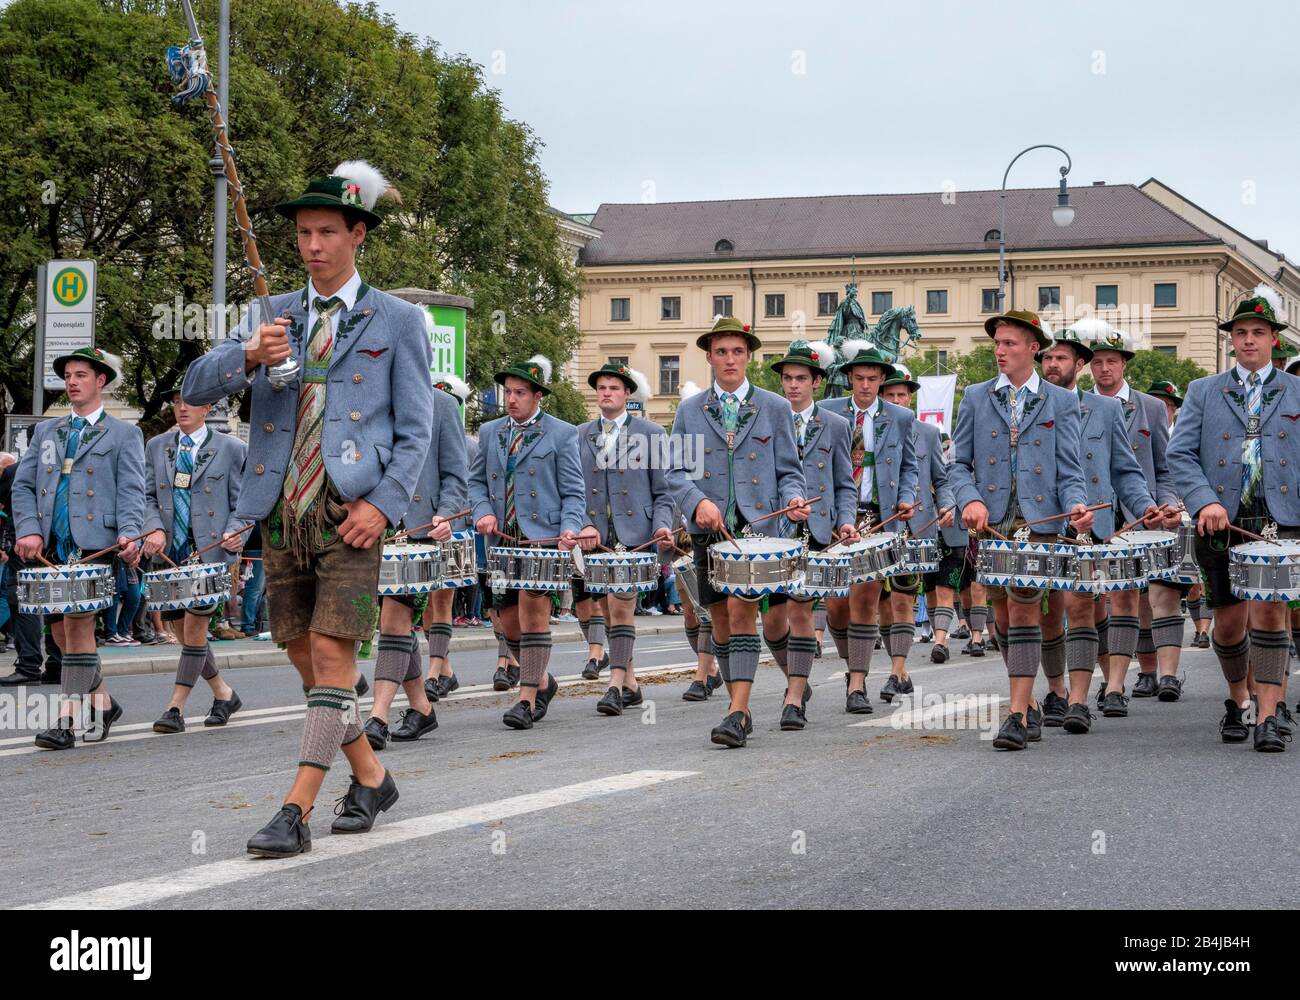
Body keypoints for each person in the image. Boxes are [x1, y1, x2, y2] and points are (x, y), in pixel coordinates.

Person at [183, 160, 434, 855]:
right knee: (303, 658)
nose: (313, 245)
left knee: (331, 652)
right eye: (302, 233)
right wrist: (247, 353)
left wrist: (384, 506)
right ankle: (372, 776)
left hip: (349, 511)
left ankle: (294, 810)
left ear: (358, 234)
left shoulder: (399, 319)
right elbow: (194, 386)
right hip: (277, 509)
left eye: (327, 231)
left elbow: (417, 431)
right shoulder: (270, 315)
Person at [948, 310, 1092, 750]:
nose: (1000, 351)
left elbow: (1070, 470)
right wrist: (969, 499)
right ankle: (1026, 699)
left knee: (1026, 606)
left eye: (1010, 343)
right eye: (997, 343)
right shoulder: (975, 396)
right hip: (990, 524)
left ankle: (1015, 714)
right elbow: (956, 464)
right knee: (1002, 616)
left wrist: (1076, 508)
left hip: (1040, 523)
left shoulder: (1062, 401)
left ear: (1034, 348)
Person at [1168, 287, 1300, 751]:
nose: (1248, 341)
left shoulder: (1297, 390)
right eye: (1240, 333)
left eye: (1258, 333)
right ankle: (1237, 699)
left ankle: (1268, 714)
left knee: (1270, 612)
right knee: (1227, 624)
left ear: (1273, 340)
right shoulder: (1203, 391)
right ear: (1231, 340)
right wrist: (1204, 501)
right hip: (1219, 520)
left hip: (1280, 520)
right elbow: (1179, 453)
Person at [668, 316, 808, 746]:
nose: (730, 359)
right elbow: (675, 472)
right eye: (721, 352)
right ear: (709, 357)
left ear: (749, 356)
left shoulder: (775, 407)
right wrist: (698, 503)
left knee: (744, 610)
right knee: (722, 622)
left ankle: (738, 712)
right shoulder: (690, 410)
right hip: (709, 528)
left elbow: (790, 470)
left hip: (758, 527)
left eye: (738, 351)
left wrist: (795, 498)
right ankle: (738, 702)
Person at [13, 347, 146, 749]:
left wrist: (130, 532)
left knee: (77, 627)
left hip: (96, 546)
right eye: (68, 375)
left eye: (81, 375)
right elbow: (23, 485)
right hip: (51, 544)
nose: (71, 382)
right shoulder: (46, 432)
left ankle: (66, 721)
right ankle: (103, 703)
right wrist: (28, 529)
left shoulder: (125, 433)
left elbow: (132, 489)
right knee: (61, 635)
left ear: (100, 380)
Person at [1037, 327, 1158, 733]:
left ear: (1079, 365)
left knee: (1082, 606)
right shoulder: (1030, 406)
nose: (1053, 365)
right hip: (1037, 526)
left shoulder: (1104, 410)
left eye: (1061, 358)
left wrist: (1146, 506)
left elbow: (1126, 470)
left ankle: (1078, 699)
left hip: (1090, 525)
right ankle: (1056, 690)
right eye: (1047, 358)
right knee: (1048, 614)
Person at [469, 354, 594, 730]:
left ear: (537, 395)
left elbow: (574, 491)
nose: (511, 399)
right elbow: (475, 481)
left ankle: (525, 699)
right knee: (507, 622)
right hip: (502, 539)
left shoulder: (561, 432)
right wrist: (481, 512)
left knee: (533, 614)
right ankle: (543, 680)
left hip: (543, 539)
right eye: (508, 391)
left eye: (520, 392)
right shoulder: (491, 432)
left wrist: (571, 528)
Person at [362, 373, 467, 750]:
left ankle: (377, 715)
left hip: (420, 534)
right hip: (373, 530)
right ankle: (421, 707)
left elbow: (456, 476)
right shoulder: (366, 400)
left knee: (394, 619)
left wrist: (446, 515)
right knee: (397, 624)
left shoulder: (443, 406)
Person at [1085, 323, 1184, 709]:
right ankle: (1114, 686)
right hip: (1099, 519)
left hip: (1146, 515)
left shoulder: (1152, 407)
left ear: (1124, 364)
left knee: (1159, 595)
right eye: (1097, 362)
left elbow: (1165, 466)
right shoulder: (1078, 406)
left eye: (1111, 361)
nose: (1104, 368)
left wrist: (1169, 502)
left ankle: (1163, 673)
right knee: (1119, 598)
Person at [760, 340, 857, 729]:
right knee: (771, 623)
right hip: (772, 533)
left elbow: (845, 484)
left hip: (815, 532)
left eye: (801, 378)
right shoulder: (763, 419)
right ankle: (793, 678)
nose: (793, 385)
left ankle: (795, 696)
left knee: (801, 612)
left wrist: (845, 519)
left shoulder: (836, 426)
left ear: (816, 382)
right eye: (787, 378)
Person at [819, 341, 918, 713]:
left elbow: (909, 467)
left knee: (866, 597)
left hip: (879, 515)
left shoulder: (901, 417)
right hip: (832, 519)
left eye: (872, 379)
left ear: (881, 380)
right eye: (858, 378)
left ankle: (857, 684)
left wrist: (906, 497)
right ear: (849, 379)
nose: (865, 385)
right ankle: (852, 666)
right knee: (835, 606)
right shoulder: (826, 412)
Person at [140, 389, 247, 732]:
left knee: (196, 628)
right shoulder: (157, 446)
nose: (181, 408)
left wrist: (235, 533)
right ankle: (224, 693)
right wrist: (153, 528)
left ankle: (175, 708)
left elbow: (244, 504)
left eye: (190, 402)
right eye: (176, 402)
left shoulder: (232, 449)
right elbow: (146, 496)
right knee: (184, 634)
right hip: (169, 555)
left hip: (211, 552)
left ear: (207, 408)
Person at [576, 362, 675, 716]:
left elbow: (663, 491)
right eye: (601, 387)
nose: (606, 393)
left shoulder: (651, 434)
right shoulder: (580, 433)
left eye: (614, 388)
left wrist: (662, 526)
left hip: (636, 535)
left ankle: (615, 684)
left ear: (627, 394)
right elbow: (572, 489)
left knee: (620, 606)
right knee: (603, 608)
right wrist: (580, 523)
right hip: (595, 536)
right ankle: (632, 682)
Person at [879, 363, 965, 666]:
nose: (896, 400)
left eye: (901, 395)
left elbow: (941, 479)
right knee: (896, 596)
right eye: (890, 395)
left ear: (910, 398)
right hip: (883, 526)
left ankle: (940, 640)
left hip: (925, 523)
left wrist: (947, 505)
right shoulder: (869, 433)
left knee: (938, 584)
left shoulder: (928, 433)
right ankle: (895, 645)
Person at [0, 451, 44, 685]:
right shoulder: (57, 469)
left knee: (21, 602)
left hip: (22, 545)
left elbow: (5, 506)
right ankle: (56, 664)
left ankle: (28, 665)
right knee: (53, 607)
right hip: (52, 545)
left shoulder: (15, 471)